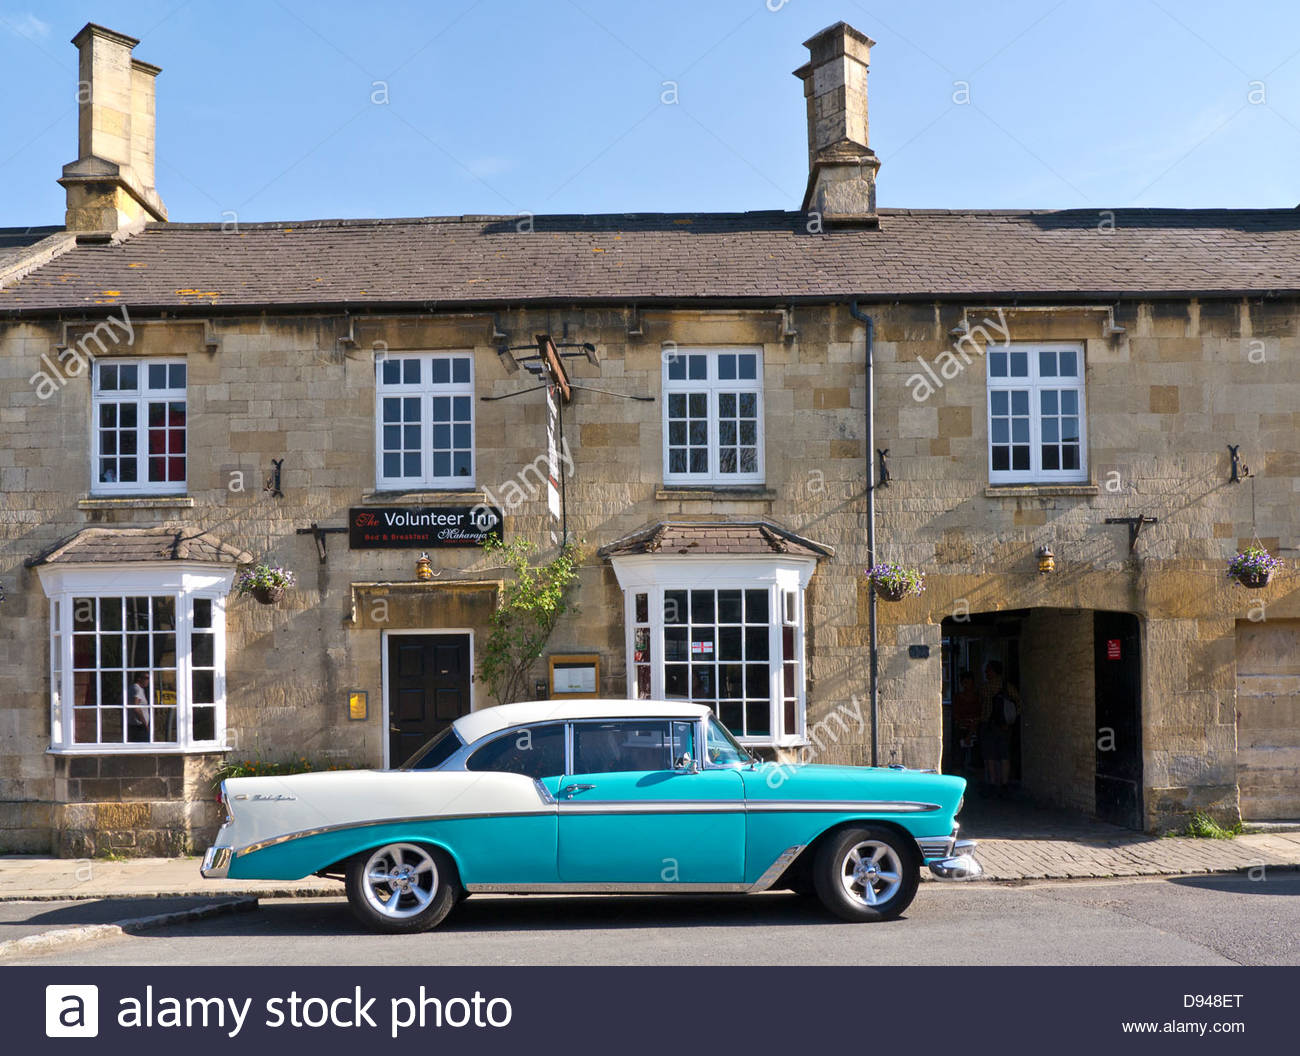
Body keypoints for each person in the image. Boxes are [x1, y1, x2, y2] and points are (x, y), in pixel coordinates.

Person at [979, 660, 1019, 793]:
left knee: (990, 755)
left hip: (988, 724)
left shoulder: (985, 687)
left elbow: (981, 705)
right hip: (1004, 726)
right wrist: (1010, 720)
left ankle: (992, 783)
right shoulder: (1007, 686)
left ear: (993, 671)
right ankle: (1004, 784)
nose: (985, 673)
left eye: (988, 670)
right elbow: (1018, 703)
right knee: (1004, 755)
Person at [950, 670, 981, 773]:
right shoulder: (957, 697)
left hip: (975, 729)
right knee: (958, 758)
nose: (966, 685)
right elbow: (956, 715)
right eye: (964, 683)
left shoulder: (977, 697)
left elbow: (979, 714)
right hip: (961, 730)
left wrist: (971, 730)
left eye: (969, 682)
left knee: (976, 759)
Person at [128, 672, 150, 742]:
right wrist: (145, 723)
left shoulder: (132, 688)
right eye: (146, 678)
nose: (148, 680)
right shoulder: (137, 689)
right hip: (139, 726)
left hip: (133, 724)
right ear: (139, 679)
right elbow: (136, 707)